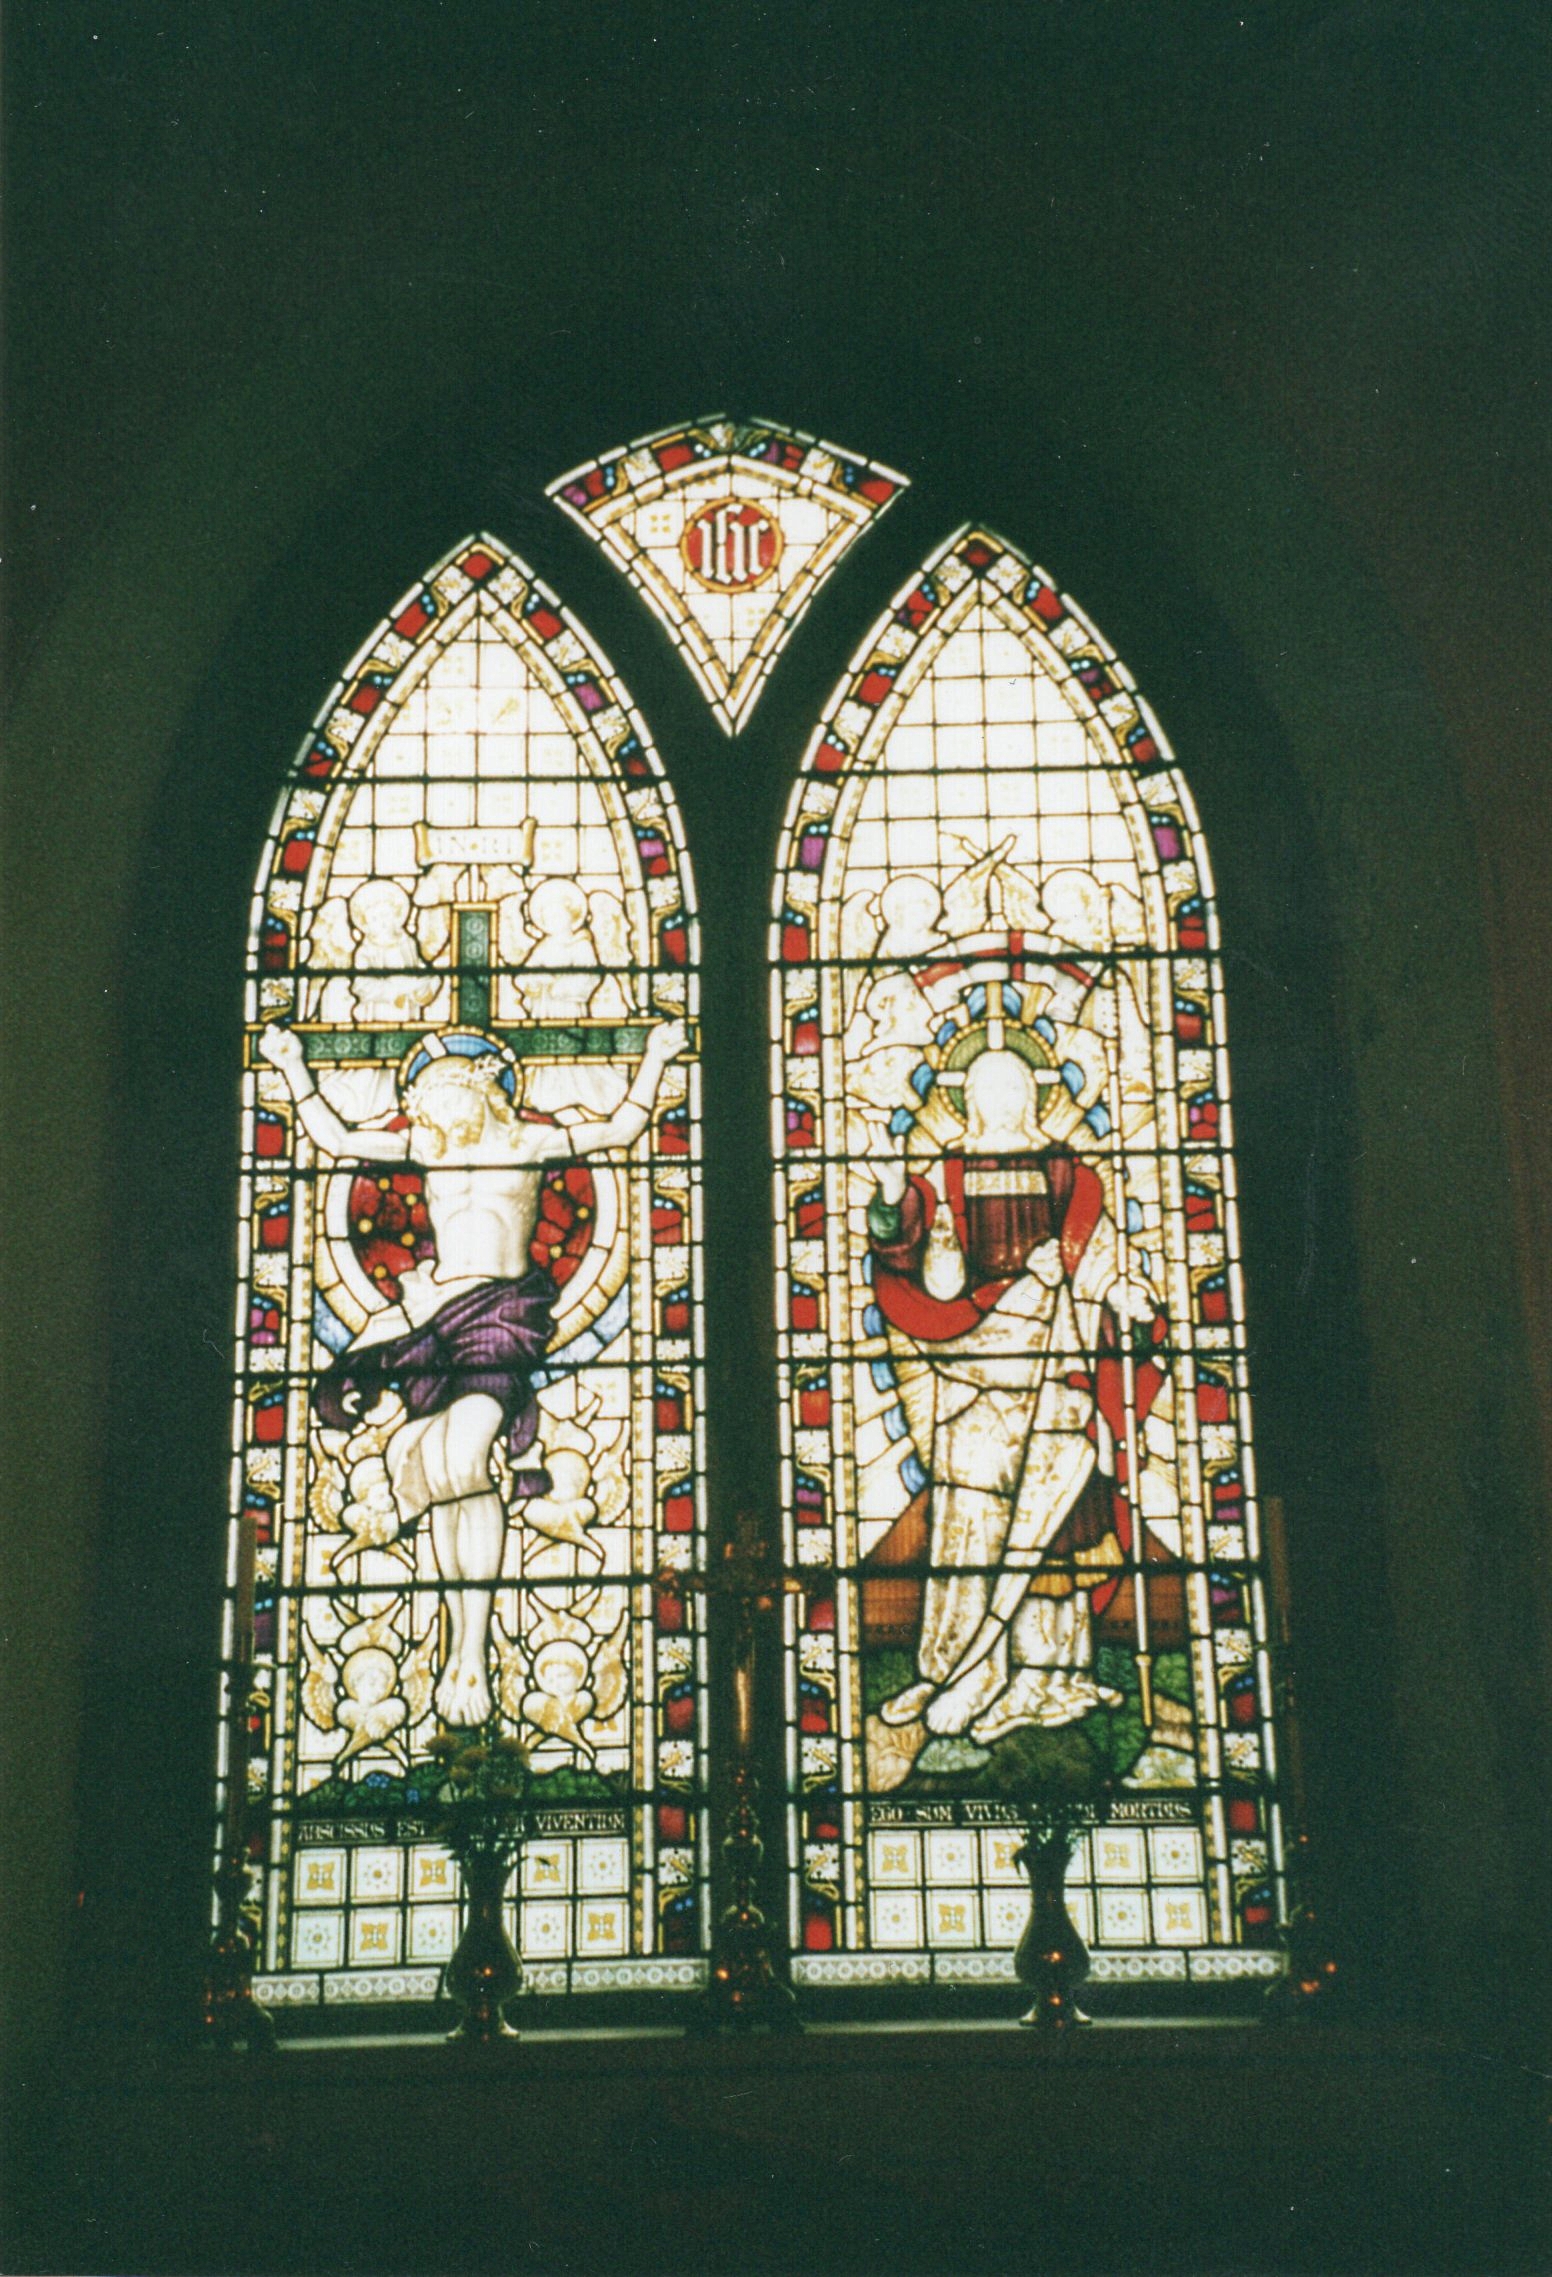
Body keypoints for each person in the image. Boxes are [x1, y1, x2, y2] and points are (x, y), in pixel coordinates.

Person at [258, 1018, 685, 1724]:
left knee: (460, 1458)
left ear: (478, 1089)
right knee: (434, 1466)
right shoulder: (426, 1146)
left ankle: (469, 1647)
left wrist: (658, 1057)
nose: (428, 1112)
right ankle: (465, 1646)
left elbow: (622, 1129)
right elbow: (336, 1141)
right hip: (434, 1318)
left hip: (501, 1318)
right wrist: (292, 1067)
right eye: (421, 1103)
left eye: (438, 1096)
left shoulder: (529, 1141)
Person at [867, 1039, 1167, 1747]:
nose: (1001, 1102)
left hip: (1057, 1362)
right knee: (969, 1520)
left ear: (1031, 1097)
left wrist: (1119, 1289)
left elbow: (1093, 1254)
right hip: (976, 1374)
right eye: (986, 1090)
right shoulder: (942, 1175)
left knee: (1057, 1524)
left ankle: (1047, 1676)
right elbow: (905, 1250)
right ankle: (952, 1669)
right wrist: (887, 1196)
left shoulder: (1067, 1174)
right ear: (968, 1100)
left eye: (1012, 1090)